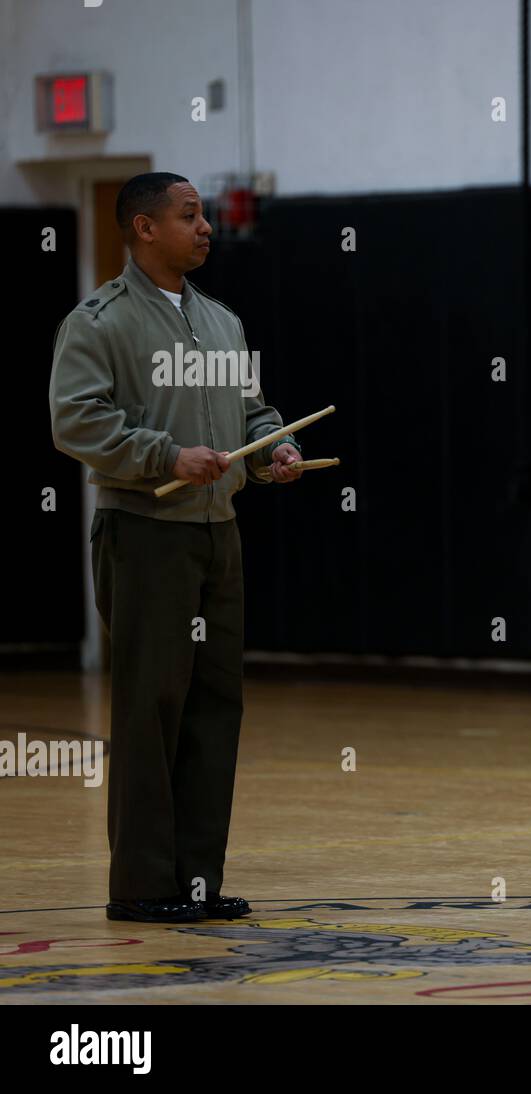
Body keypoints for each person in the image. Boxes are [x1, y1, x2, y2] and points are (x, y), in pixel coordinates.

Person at [49, 172, 305, 923]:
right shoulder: (97, 321)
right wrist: (164, 455)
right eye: (188, 216)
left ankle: (197, 881)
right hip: (145, 535)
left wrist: (270, 451)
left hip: (217, 535)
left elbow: (254, 412)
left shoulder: (223, 321)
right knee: (147, 711)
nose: (205, 228)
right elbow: (75, 422)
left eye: (203, 216)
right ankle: (141, 885)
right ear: (142, 228)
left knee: (214, 708)